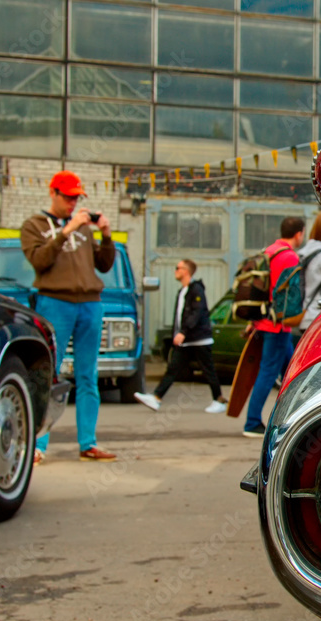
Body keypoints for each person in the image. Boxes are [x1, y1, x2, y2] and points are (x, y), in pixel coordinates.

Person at [21, 170, 117, 463]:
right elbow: (39, 261)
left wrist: (106, 234)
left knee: (88, 375)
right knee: (48, 371)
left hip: (90, 303)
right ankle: (38, 444)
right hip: (54, 302)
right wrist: (65, 230)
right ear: (54, 193)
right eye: (69, 197)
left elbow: (103, 264)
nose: (73, 203)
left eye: (77, 198)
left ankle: (88, 443)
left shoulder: (85, 229)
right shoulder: (34, 225)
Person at [134, 259, 227, 413]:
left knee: (208, 369)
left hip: (198, 339)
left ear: (186, 271)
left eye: (178, 268)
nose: (175, 270)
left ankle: (219, 400)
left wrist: (183, 332)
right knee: (173, 369)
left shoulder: (196, 289)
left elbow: (196, 313)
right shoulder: (182, 291)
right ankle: (156, 398)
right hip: (187, 340)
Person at [243, 216, 305, 438]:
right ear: (299, 233)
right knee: (268, 373)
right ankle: (251, 423)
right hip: (277, 326)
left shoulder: (268, 251)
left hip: (263, 321)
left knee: (293, 374)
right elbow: (291, 294)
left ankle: (294, 417)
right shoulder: (289, 256)